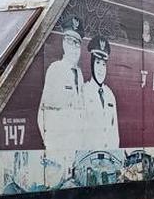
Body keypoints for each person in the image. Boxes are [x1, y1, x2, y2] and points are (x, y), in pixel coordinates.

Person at [38, 17, 86, 158]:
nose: (74, 48)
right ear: (64, 43)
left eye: (77, 43)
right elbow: (43, 112)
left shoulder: (79, 74)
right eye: (70, 42)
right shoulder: (55, 69)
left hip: (77, 147)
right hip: (59, 147)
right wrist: (51, 145)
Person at [83, 35, 120, 150]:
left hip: (108, 155)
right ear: (92, 64)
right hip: (89, 154)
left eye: (104, 64)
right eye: (98, 63)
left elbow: (114, 132)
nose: (101, 69)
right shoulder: (83, 92)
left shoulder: (109, 95)